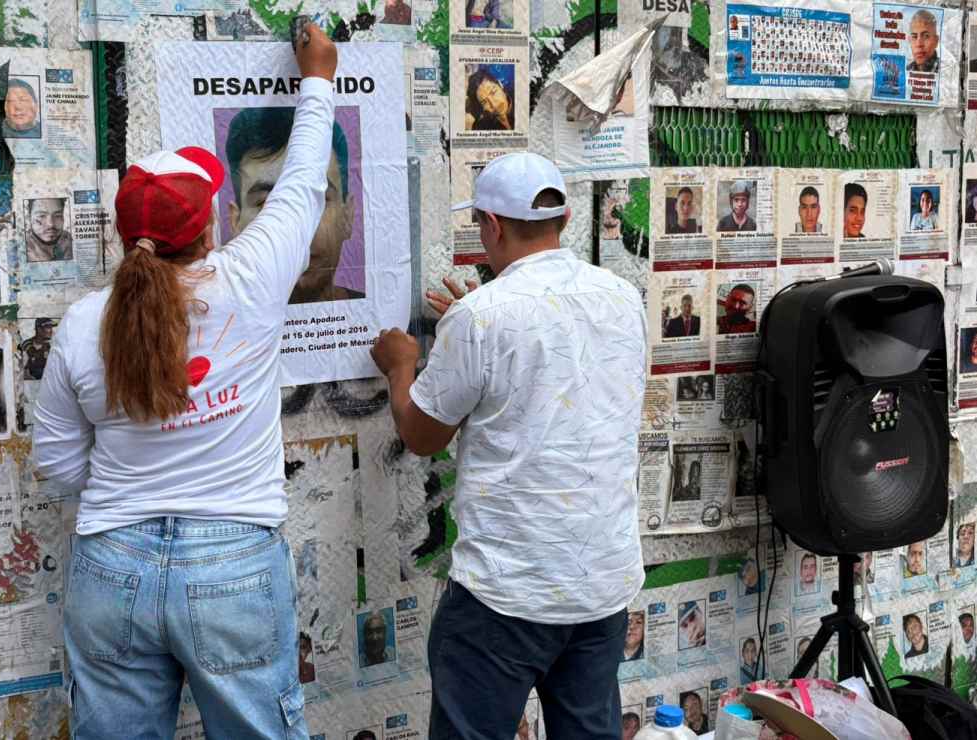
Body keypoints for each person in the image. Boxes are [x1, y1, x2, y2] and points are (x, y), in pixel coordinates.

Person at [32, 24, 338, 740]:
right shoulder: (251, 278)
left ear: (119, 235)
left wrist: (131, 475)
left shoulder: (82, 324)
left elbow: (56, 461)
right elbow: (300, 185)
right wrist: (317, 77)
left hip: (111, 568)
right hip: (233, 562)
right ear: (211, 225)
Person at [370, 152, 646, 740]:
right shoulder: (624, 298)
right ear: (564, 221)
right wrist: (469, 324)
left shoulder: (482, 317)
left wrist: (403, 367)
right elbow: (550, 367)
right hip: (600, 585)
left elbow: (422, 434)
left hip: (506, 594)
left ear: (491, 225)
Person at [223, 107, 361, 305]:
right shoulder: (217, 327)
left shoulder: (379, 318)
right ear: (235, 223)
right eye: (266, 203)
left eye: (316, 201)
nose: (294, 230)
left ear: (347, 215)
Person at [465, 67, 514, 131]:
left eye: (493, 92)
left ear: (500, 85)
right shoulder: (482, 127)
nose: (494, 105)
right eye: (484, 102)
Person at [25, 198, 73, 262]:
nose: (51, 224)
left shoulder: (70, 240)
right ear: (29, 218)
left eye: (57, 216)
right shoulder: (19, 247)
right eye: (42, 216)